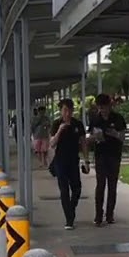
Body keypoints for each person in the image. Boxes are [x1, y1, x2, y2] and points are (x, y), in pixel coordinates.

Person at [88, 93, 128, 226]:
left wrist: (114, 134)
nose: (102, 110)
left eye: (105, 107)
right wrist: (96, 137)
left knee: (112, 185)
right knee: (100, 185)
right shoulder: (95, 119)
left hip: (114, 155)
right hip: (100, 155)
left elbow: (123, 137)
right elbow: (91, 136)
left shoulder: (118, 118)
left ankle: (110, 215)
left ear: (109, 106)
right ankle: (98, 215)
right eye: (100, 108)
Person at [49, 98, 88, 230]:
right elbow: (52, 144)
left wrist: (86, 160)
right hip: (60, 161)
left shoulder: (78, 124)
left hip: (73, 161)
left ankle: (71, 209)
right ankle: (69, 219)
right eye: (65, 110)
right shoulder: (56, 124)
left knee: (77, 188)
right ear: (61, 111)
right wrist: (60, 131)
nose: (67, 113)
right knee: (64, 189)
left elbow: (83, 142)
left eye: (70, 110)